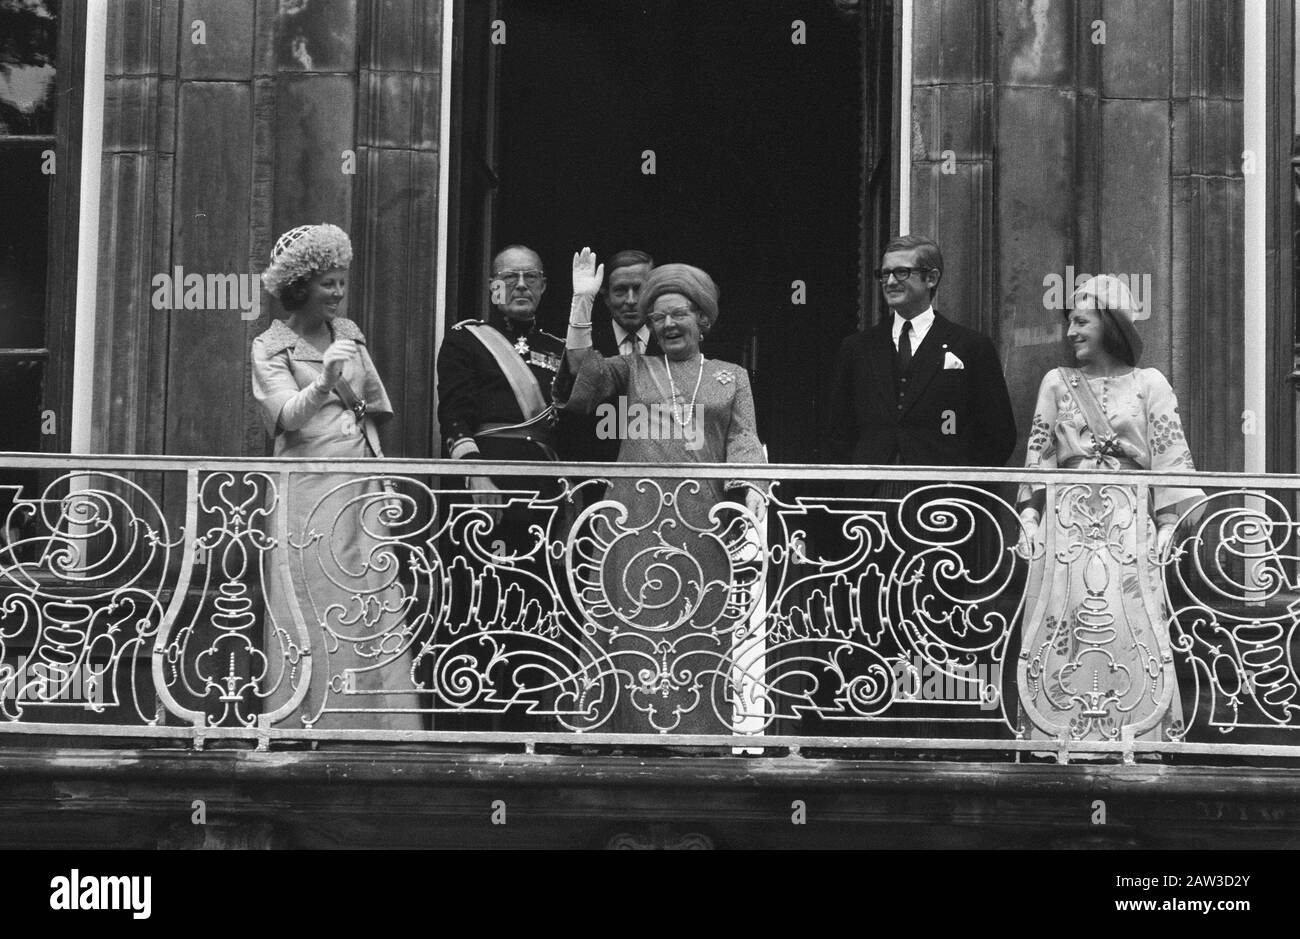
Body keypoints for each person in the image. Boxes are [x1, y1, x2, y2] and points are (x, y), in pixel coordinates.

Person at [555, 249, 767, 735]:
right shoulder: (632, 368)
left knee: (697, 622)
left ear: (702, 318)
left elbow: (742, 437)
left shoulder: (730, 376)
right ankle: (623, 733)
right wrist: (581, 306)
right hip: (632, 516)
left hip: (701, 517)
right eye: (659, 315)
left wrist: (752, 485)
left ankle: (696, 740)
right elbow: (583, 382)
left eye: (680, 313)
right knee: (628, 623)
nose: (669, 323)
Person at [1016, 274, 1205, 747]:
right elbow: (1038, 454)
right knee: (1059, 622)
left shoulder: (1150, 384)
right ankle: (1057, 737)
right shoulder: (1057, 383)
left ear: (1110, 323)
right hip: (1066, 527)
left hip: (1127, 527)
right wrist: (1030, 517)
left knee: (1132, 624)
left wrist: (1166, 526)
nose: (1070, 332)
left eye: (1081, 321)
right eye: (1069, 322)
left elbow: (1169, 456)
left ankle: (1134, 737)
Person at [251, 223, 421, 731]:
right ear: (300, 285)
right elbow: (285, 417)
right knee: (310, 595)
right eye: (328, 283)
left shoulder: (349, 336)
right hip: (306, 484)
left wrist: (382, 473)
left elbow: (371, 409)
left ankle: (380, 723)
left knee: (369, 593)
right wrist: (325, 379)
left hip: (359, 480)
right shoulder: (270, 346)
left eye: (342, 281)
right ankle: (305, 719)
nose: (338, 292)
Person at [829, 233, 1017, 470]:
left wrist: (960, 489)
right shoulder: (856, 348)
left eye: (901, 272)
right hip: (872, 494)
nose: (890, 282)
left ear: (931, 278)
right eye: (885, 273)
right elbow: (839, 432)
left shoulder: (971, 346)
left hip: (942, 497)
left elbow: (998, 435)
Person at [436, 244, 566, 503]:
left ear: (542, 286)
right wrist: (477, 474)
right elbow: (454, 415)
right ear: (493, 286)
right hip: (488, 485)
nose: (520, 285)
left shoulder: (559, 348)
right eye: (509, 277)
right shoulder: (466, 339)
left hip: (548, 486)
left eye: (530, 276)